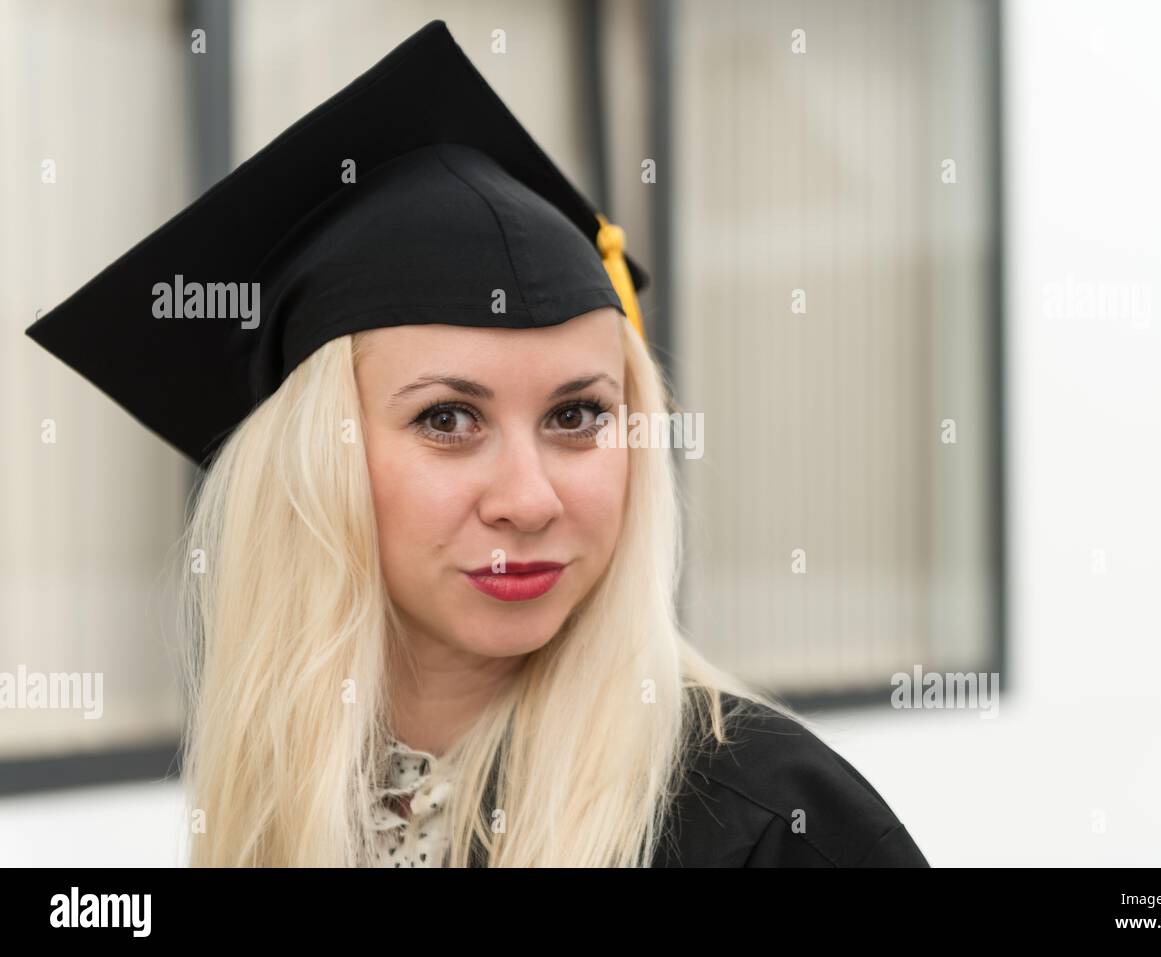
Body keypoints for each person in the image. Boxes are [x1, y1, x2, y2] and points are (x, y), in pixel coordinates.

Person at [24, 18, 928, 868]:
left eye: (577, 416)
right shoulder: (285, 809)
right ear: (312, 463)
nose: (530, 499)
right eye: (448, 419)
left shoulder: (774, 829)